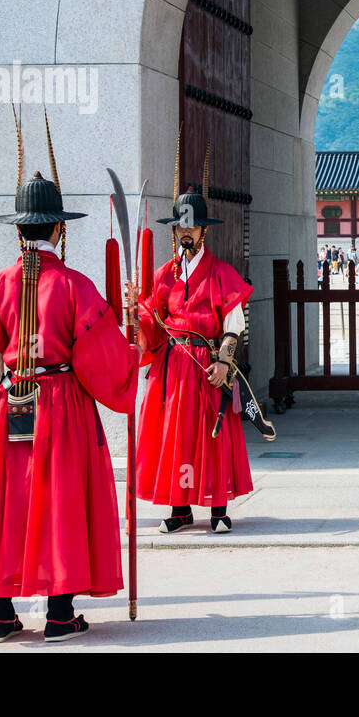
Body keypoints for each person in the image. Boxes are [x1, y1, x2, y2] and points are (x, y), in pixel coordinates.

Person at [0, 109, 138, 643]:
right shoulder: (76, 286)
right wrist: (134, 356)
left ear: (19, 229)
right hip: (63, 405)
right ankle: (59, 614)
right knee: (58, 501)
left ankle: (1, 614)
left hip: (8, 402)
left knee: (4, 503)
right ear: (59, 227)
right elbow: (105, 361)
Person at [129, 147, 254, 534]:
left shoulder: (221, 273)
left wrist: (224, 363)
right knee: (175, 436)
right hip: (171, 369)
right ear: (174, 231)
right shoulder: (163, 274)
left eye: (192, 228)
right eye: (180, 228)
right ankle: (180, 507)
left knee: (211, 436)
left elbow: (235, 324)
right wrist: (135, 310)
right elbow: (151, 326)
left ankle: (217, 509)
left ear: (203, 230)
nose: (186, 233)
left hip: (206, 364)